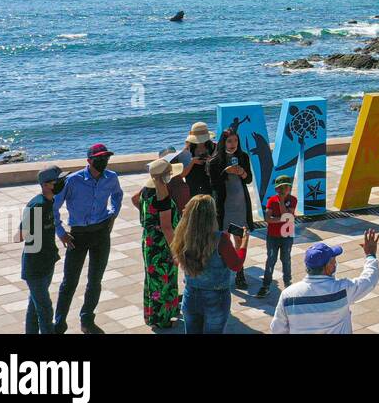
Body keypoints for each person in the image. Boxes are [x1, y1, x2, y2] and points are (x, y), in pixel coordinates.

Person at [52, 143, 123, 334]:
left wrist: (113, 214)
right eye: (99, 158)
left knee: (95, 280)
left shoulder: (112, 177)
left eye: (106, 158)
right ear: (89, 160)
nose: (104, 161)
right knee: (69, 282)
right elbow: (54, 207)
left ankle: (87, 320)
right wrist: (61, 232)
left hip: (101, 234)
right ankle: (59, 323)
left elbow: (117, 195)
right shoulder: (73, 181)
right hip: (78, 235)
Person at [270, 231, 379, 334]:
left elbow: (277, 329)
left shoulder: (288, 295)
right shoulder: (342, 290)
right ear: (327, 266)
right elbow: (369, 279)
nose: (335, 263)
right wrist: (370, 255)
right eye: (333, 260)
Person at [170, 194, 244, 334]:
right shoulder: (221, 239)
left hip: (190, 294)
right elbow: (236, 265)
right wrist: (242, 245)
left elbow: (177, 261)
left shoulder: (182, 236)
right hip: (216, 297)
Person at [131, 157, 182, 330]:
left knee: (152, 280)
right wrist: (176, 251)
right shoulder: (163, 196)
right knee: (164, 280)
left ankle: (153, 314)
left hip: (149, 241)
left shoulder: (147, 190)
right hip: (162, 245)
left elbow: (134, 198)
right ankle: (162, 319)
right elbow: (167, 227)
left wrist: (150, 219)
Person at [18, 165, 64, 334]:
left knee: (35, 305)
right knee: (45, 309)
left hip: (47, 262)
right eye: (57, 181)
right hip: (35, 266)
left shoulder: (50, 201)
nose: (62, 184)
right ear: (45, 184)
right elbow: (20, 235)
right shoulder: (37, 205)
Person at [210, 127, 254, 290]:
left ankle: (239, 273)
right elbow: (213, 185)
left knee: (239, 238)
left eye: (235, 140)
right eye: (229, 141)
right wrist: (225, 172)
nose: (233, 144)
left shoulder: (243, 156)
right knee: (223, 239)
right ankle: (221, 271)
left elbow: (249, 179)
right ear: (223, 142)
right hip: (224, 207)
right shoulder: (215, 161)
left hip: (240, 205)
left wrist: (243, 173)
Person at [257, 174, 298, 297]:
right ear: (276, 189)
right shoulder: (271, 200)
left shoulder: (293, 199)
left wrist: (281, 204)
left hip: (287, 235)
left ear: (290, 188)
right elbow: (268, 219)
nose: (283, 190)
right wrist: (283, 219)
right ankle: (266, 285)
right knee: (271, 259)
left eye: (286, 187)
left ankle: (287, 282)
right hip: (273, 236)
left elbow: (285, 215)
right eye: (281, 188)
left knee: (286, 259)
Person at [169, 121, 217, 199]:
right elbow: (182, 174)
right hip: (193, 186)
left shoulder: (214, 147)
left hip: (211, 185)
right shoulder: (187, 151)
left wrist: (211, 161)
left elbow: (219, 169)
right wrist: (192, 162)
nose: (201, 141)